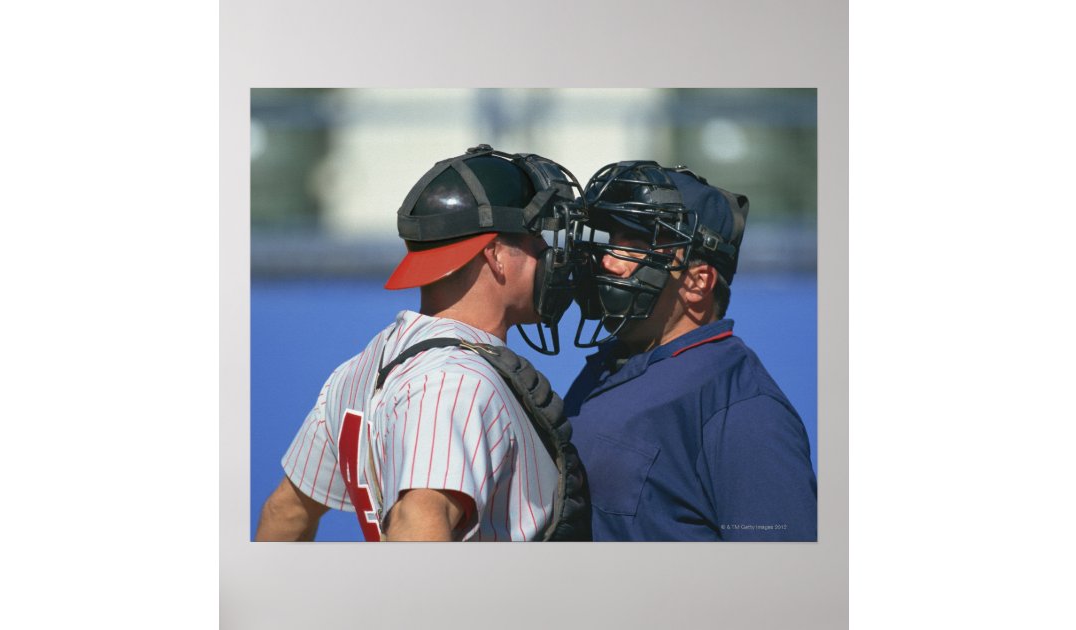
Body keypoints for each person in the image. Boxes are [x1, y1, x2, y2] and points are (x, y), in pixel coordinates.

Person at [256, 145, 588, 542]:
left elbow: (286, 511)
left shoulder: (358, 370)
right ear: (496, 254)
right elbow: (417, 523)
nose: (551, 256)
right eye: (538, 243)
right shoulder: (455, 382)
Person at [564, 160, 817, 541]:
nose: (607, 261)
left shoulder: (742, 407)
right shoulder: (612, 365)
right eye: (608, 241)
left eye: (632, 248)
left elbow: (781, 575)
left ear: (698, 283)